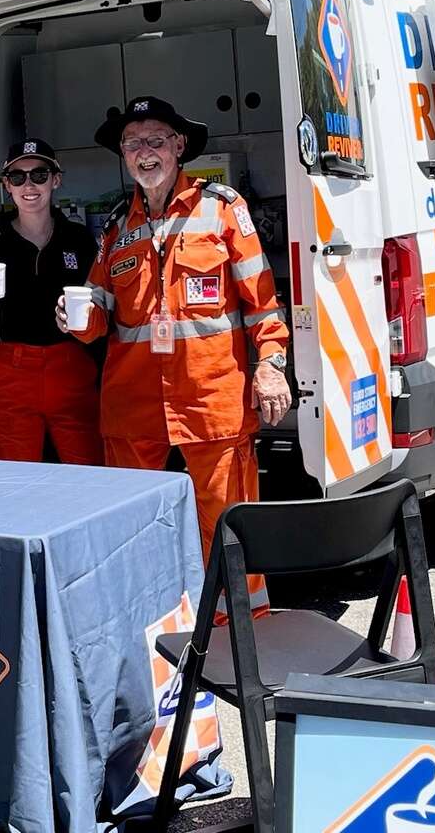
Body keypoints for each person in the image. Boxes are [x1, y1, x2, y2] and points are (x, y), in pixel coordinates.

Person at [59, 97, 292, 608]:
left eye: (156, 140)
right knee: (130, 528)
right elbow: (99, 313)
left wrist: (271, 366)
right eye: (132, 143)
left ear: (179, 147)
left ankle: (245, 635)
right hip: (133, 405)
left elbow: (261, 303)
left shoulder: (222, 207)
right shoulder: (117, 226)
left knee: (229, 524)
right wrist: (74, 319)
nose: (145, 152)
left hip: (212, 401)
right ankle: (149, 632)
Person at [0, 138, 102, 465]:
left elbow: (106, 307)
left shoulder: (79, 240)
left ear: (56, 179)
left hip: (72, 364)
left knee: (91, 472)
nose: (29, 185)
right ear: (7, 185)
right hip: (10, 368)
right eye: (18, 177)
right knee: (13, 477)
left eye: (39, 174)